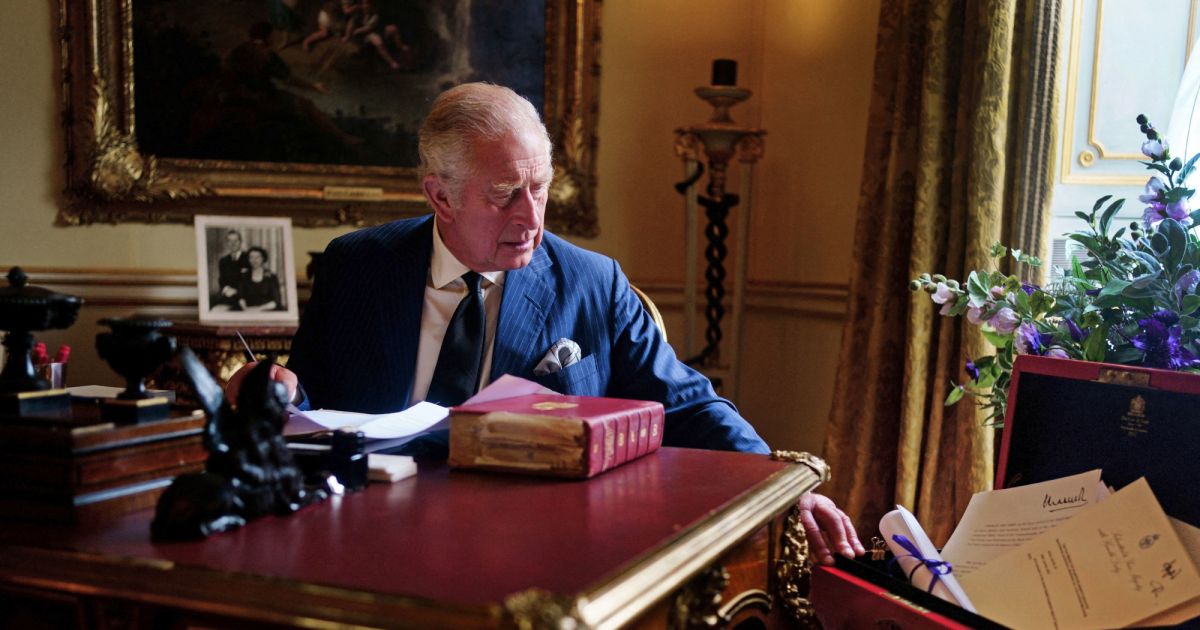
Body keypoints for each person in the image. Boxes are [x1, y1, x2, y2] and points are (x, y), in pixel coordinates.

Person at [226, 82, 864, 565]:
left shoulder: (592, 282)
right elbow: (310, 397)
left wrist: (783, 488)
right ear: (439, 195)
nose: (531, 217)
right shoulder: (357, 265)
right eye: (505, 193)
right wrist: (274, 391)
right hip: (367, 536)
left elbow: (688, 405)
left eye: (540, 187)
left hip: (529, 548)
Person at [237, 246, 282, 312]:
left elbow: (276, 301)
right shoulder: (243, 276)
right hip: (248, 310)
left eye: (258, 257)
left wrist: (258, 309)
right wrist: (246, 309)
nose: (254, 260)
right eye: (251, 257)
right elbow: (241, 297)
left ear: (263, 258)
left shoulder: (271, 276)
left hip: (267, 311)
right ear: (248, 259)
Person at [213, 230, 249, 311]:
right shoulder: (223, 260)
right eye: (230, 241)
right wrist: (226, 289)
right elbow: (222, 279)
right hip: (228, 296)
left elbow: (249, 280)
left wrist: (237, 292)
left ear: (240, 242)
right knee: (215, 310)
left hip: (245, 297)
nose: (233, 243)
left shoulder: (248, 258)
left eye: (236, 240)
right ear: (227, 243)